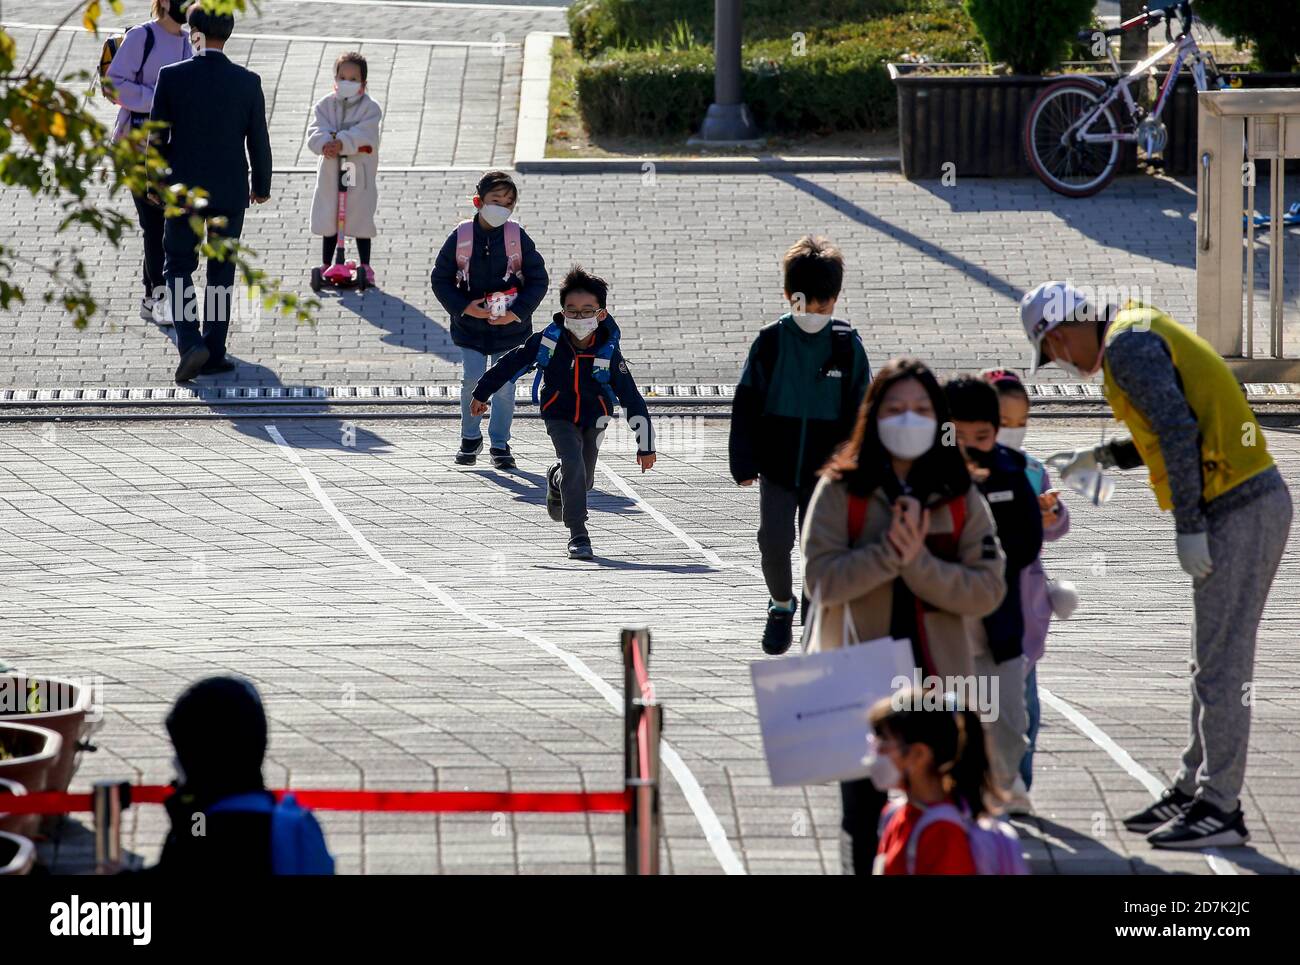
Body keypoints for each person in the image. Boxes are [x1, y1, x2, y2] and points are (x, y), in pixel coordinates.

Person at [1023, 280, 1293, 849]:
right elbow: (1169, 421)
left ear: (1062, 331)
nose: (1061, 366)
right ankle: (1193, 787)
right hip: (1240, 500)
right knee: (1208, 660)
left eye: (1051, 353)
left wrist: (1189, 528)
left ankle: (1221, 807)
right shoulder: (1131, 330)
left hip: (1239, 506)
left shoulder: (1125, 349)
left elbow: (1178, 432)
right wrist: (1100, 456)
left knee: (1222, 667)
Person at [801, 357, 1006, 873]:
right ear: (872, 417)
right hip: (862, 687)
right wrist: (887, 555)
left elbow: (987, 589)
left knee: (945, 816)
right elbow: (820, 581)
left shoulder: (961, 493)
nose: (908, 419)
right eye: (895, 409)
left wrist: (919, 564)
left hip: (944, 691)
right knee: (864, 819)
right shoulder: (841, 489)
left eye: (920, 408)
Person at [729, 235, 871, 655]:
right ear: (788, 295)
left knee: (820, 545)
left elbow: (864, 411)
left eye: (823, 305)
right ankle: (780, 604)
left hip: (828, 470)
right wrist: (744, 460)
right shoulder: (770, 342)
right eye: (804, 303)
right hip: (777, 463)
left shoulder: (847, 346)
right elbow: (746, 402)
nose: (813, 313)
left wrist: (860, 465)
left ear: (836, 299)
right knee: (773, 541)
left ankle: (815, 609)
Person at [470, 266, 655, 559]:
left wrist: (646, 444)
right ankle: (578, 534)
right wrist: (482, 393)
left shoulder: (608, 350)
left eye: (587, 311)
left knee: (584, 479)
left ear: (601, 314)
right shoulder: (550, 340)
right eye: (572, 310)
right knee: (572, 462)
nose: (579, 317)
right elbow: (511, 363)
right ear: (563, 312)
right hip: (559, 414)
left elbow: (631, 397)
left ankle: (555, 479)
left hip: (596, 417)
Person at [150, 4, 272, 383]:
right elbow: (259, 141)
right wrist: (260, 186)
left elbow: (156, 136)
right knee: (221, 270)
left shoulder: (171, 77)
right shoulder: (247, 81)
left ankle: (190, 342)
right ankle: (214, 350)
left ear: (195, 33)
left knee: (179, 264)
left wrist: (155, 184)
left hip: (183, 190)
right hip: (230, 189)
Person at [944, 375, 1043, 814]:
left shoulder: (1008, 469)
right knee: (949, 720)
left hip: (999, 623)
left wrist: (989, 562)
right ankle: (957, 797)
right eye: (957, 436)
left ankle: (1005, 784)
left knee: (1008, 720)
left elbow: (1029, 539)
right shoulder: (928, 475)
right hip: (944, 628)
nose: (970, 446)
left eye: (982, 436)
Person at [980, 367, 1073, 793]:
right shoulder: (967, 470)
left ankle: (1022, 782)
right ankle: (987, 780)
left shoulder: (1032, 470)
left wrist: (1051, 515)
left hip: (1026, 608)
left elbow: (1054, 529)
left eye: (1022, 423)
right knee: (986, 704)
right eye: (1003, 422)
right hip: (981, 610)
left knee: (1028, 707)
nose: (1013, 431)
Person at [146, 676, 333, 874]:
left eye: (181, 750)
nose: (174, 762)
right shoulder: (290, 827)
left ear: (197, 754)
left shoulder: (203, 831)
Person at [431, 171, 548, 470]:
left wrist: (516, 312)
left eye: (509, 203)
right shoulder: (461, 236)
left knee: (505, 386)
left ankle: (499, 442)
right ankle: (469, 437)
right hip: (470, 326)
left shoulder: (516, 236)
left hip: (511, 328)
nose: (502, 207)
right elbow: (440, 279)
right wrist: (465, 308)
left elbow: (538, 280)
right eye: (496, 200)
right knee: (471, 379)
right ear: (479, 201)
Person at [105, 0, 192, 326]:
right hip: (136, 148)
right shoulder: (143, 36)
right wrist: (159, 98)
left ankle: (153, 295)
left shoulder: (186, 41)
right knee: (154, 224)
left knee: (164, 224)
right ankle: (157, 297)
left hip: (170, 147)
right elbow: (114, 84)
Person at [866, 691, 993, 875]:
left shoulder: (943, 834)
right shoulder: (895, 812)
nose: (876, 750)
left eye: (884, 740)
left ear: (919, 754)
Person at [307, 52, 382, 285]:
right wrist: (324, 144)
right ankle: (327, 262)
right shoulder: (325, 105)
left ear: (363, 83)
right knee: (330, 215)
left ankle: (365, 264)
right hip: (331, 170)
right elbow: (315, 130)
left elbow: (367, 134)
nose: (346, 83)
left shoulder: (370, 108)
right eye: (342, 77)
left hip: (357, 169)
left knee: (360, 215)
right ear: (335, 78)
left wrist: (343, 141)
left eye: (353, 78)